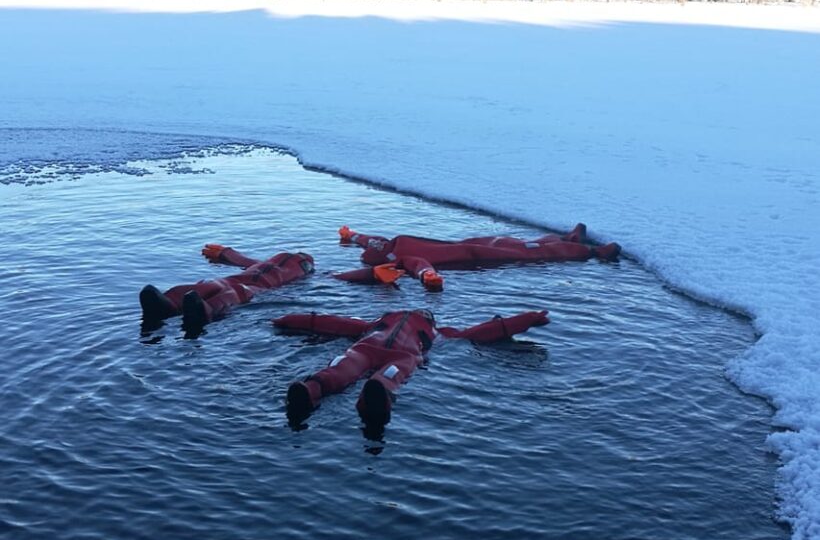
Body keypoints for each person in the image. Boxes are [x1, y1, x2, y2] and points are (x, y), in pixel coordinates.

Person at [275, 309, 549, 427]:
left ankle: (311, 389)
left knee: (339, 370)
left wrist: (289, 320)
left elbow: (332, 323)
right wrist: (524, 320)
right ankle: (377, 394)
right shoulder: (437, 332)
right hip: (403, 355)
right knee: (391, 376)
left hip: (365, 348)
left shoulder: (377, 323)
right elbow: (479, 332)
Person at [335, 223, 621, 291]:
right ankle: (593, 252)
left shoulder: (385, 246)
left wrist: (352, 235)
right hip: (469, 254)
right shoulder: (394, 257)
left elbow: (366, 240)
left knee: (519, 244)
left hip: (468, 247)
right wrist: (428, 277)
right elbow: (417, 265)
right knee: (525, 252)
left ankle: (567, 240)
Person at [140, 244, 314, 336]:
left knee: (232, 292)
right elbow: (243, 260)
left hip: (252, 288)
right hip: (230, 281)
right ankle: (167, 303)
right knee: (205, 287)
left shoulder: (299, 276)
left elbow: (243, 260)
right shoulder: (261, 264)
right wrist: (225, 252)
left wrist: (226, 253)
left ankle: (201, 310)